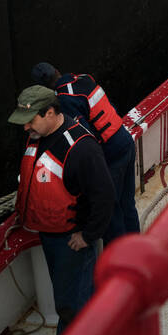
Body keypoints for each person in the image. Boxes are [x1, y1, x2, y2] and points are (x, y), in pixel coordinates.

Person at [9, 84, 115, 335]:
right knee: (67, 296)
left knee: (73, 306)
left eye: (30, 121)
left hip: (70, 241)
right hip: (48, 234)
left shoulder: (81, 148)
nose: (25, 128)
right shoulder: (37, 137)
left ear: (50, 112)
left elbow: (105, 195)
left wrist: (88, 236)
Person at [31, 62, 141, 242]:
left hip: (112, 156)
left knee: (111, 213)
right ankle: (137, 246)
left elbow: (84, 137)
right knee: (127, 203)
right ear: (57, 71)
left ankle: (121, 259)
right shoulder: (83, 79)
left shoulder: (65, 100)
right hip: (125, 141)